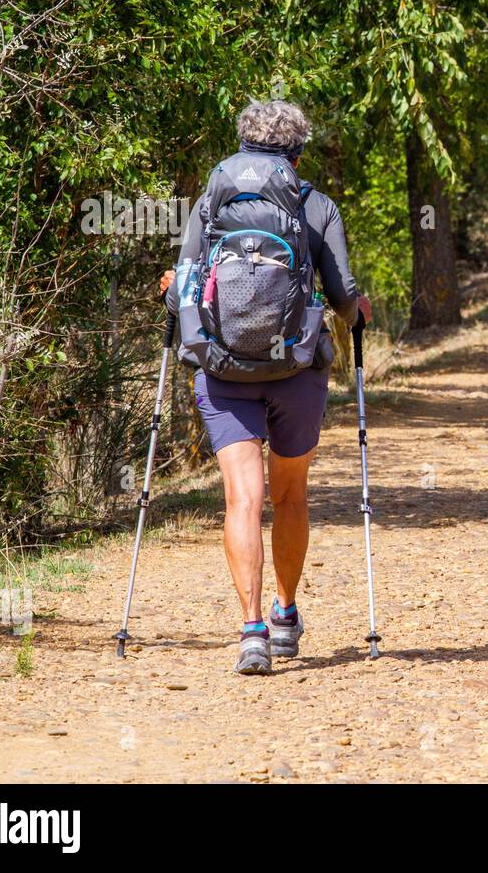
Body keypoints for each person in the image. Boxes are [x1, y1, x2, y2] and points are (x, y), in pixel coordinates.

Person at [160, 100, 370, 674]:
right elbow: (344, 297)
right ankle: (284, 613)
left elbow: (183, 280)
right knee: (289, 497)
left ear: (243, 145)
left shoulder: (211, 201)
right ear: (298, 151)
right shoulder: (316, 206)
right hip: (296, 370)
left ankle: (251, 631)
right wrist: (358, 310)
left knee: (242, 501)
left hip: (223, 371)